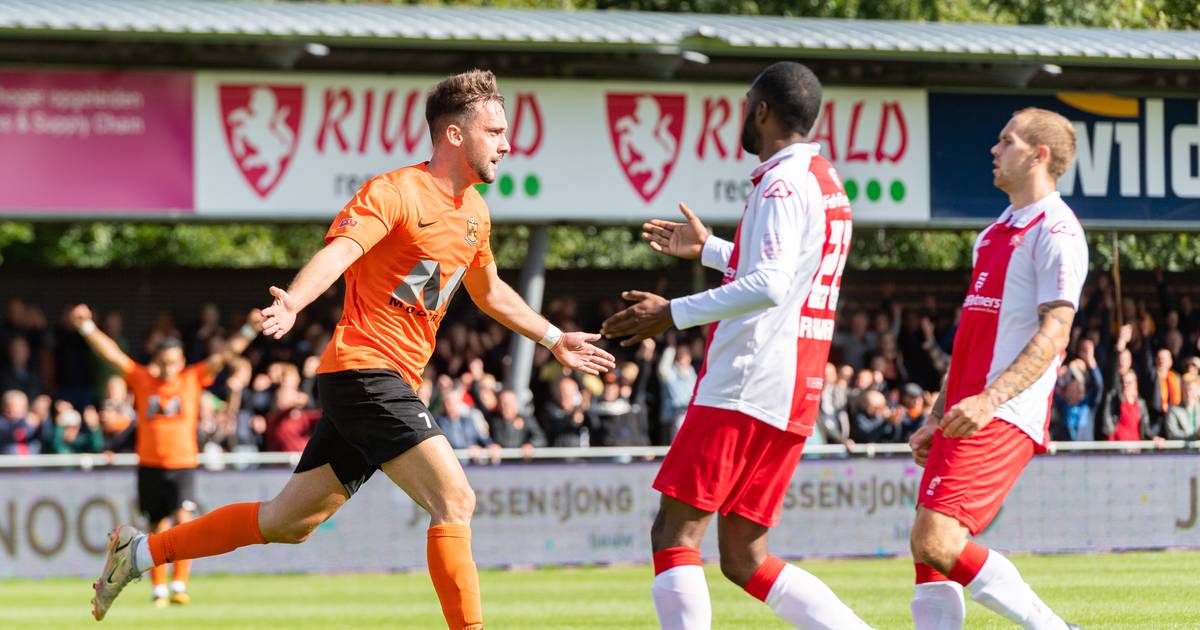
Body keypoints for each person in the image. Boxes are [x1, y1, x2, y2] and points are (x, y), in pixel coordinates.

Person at [90, 70, 614, 628]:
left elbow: (489, 292)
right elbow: (342, 251)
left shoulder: (474, 213)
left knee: (287, 522)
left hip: (380, 383)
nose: (507, 144)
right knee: (455, 500)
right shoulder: (395, 192)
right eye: (496, 131)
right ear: (455, 135)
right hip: (366, 372)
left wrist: (553, 337)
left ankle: (139, 553)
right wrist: (294, 301)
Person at [602, 62, 870, 629]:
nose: (743, 114)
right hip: (795, 385)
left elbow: (770, 284)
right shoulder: (824, 179)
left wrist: (671, 313)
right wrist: (711, 250)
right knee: (745, 557)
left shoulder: (780, 182)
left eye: (748, 104)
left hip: (747, 381)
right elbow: (790, 272)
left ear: (763, 111)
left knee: (674, 533)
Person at [906, 108, 1087, 630]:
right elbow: (971, 339)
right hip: (966, 409)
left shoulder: (1058, 231)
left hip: (1003, 411)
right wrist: (937, 415)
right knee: (927, 548)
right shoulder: (990, 235)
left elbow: (1056, 331)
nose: (994, 149)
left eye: (1006, 141)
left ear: (1039, 155)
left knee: (937, 539)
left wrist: (989, 400)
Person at [75, 303, 262, 608]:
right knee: (157, 529)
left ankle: (179, 585)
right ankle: (159, 589)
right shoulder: (143, 379)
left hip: (183, 464)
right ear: (156, 361)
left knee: (184, 522)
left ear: (182, 361)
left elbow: (224, 355)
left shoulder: (192, 378)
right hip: (150, 465)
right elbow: (112, 355)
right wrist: (86, 327)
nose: (168, 368)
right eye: (163, 363)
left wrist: (250, 329)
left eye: (173, 362)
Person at [1166, 373, 1200, 440]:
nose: (1188, 393)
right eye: (1185, 390)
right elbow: (1172, 434)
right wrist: (1195, 435)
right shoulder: (1173, 410)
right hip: (1182, 446)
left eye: (1191, 389)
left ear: (1198, 391)